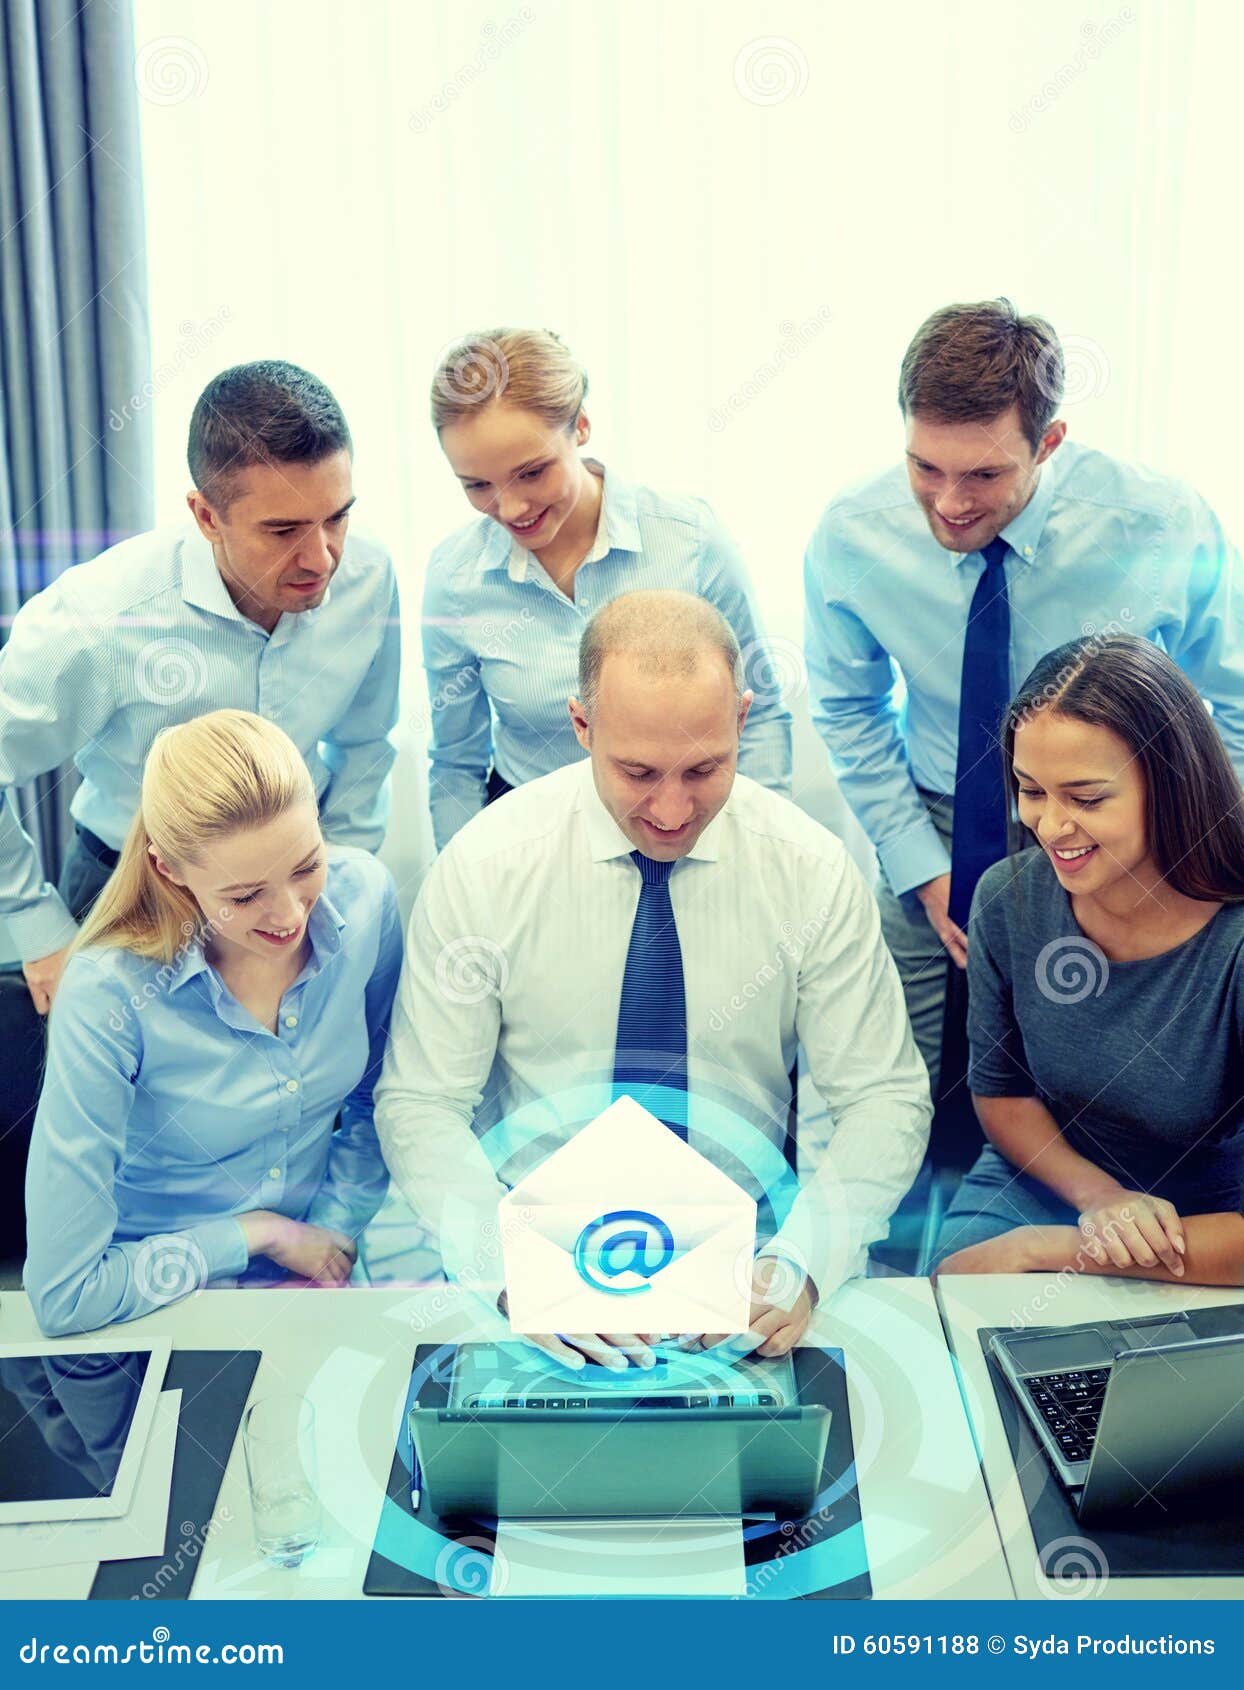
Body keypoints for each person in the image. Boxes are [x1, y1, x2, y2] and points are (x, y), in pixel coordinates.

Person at [375, 589, 930, 1369]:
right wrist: (511, 1275)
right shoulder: (484, 868)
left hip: (746, 1275)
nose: (672, 810)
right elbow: (421, 1103)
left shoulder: (809, 871)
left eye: (704, 769)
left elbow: (883, 1097)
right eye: (637, 771)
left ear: (742, 720)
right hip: (536, 1264)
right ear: (580, 726)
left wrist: (802, 1263)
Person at [804, 299, 1244, 1095]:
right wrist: (921, 868)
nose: (949, 502)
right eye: (924, 467)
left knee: (1099, 1075)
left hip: (1126, 826)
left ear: (1049, 442)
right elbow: (846, 708)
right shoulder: (851, 533)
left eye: (983, 474)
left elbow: (1238, 702)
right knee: (895, 1077)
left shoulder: (1160, 523)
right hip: (939, 822)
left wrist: (1186, 845)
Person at [0, 360, 400, 1013]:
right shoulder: (98, 618)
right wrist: (39, 931)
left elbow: (366, 745)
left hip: (290, 891)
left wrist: (331, 887)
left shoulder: (370, 576)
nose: (323, 558)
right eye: (284, 530)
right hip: (136, 897)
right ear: (206, 515)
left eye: (337, 517)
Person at [24, 710, 402, 1336]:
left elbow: (378, 1097)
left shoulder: (366, 899)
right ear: (170, 870)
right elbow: (66, 1296)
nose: (289, 916)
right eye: (244, 895)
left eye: (307, 866)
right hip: (152, 1302)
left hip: (314, 1278)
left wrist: (328, 1233)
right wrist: (255, 1236)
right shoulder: (109, 991)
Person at [932, 636, 1244, 1285]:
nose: (1049, 826)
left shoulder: (1233, 939)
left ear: (1170, 783)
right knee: (955, 1296)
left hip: (1213, 1214)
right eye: (1030, 790)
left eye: (1086, 798)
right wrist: (1097, 1201)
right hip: (1047, 1178)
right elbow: (1003, 1097)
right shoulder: (1007, 899)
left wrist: (1055, 1248)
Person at [422, 328, 793, 850]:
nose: (510, 509)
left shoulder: (690, 540)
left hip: (688, 824)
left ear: (582, 427)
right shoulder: (456, 578)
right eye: (477, 485)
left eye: (532, 472)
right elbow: (455, 763)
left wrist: (759, 851)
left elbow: (762, 718)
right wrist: (460, 879)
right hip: (534, 840)